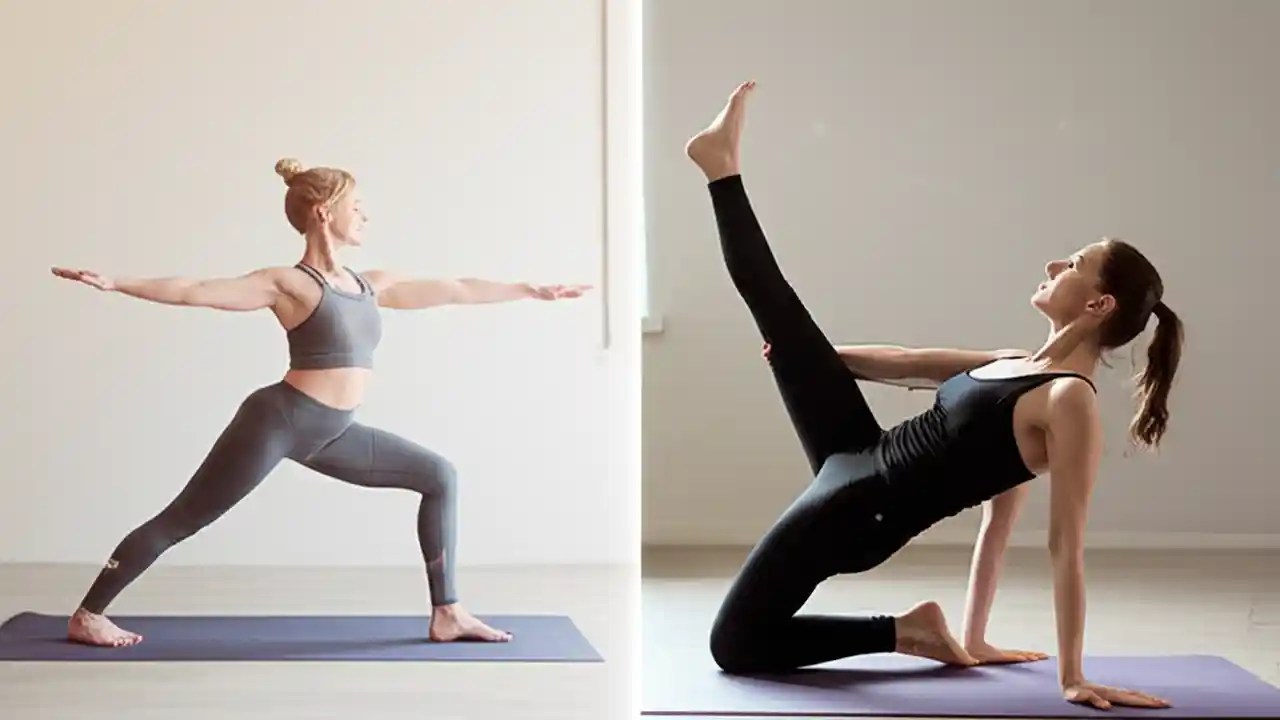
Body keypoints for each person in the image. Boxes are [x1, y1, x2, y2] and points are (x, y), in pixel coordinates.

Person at [683, 82, 1181, 712]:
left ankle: (904, 632)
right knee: (780, 314)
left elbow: (1066, 547)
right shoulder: (1014, 362)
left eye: (1075, 263)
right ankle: (721, 163)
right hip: (857, 450)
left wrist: (1072, 676)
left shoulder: (1068, 402)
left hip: (861, 510)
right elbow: (910, 364)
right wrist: (809, 354)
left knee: (734, 644)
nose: (1055, 265)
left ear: (1099, 304)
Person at [50, 158, 591, 649]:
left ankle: (448, 612)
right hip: (280, 422)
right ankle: (88, 615)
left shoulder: (370, 284)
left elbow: (456, 288)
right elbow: (195, 289)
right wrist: (116, 283)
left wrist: (528, 289)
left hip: (334, 431)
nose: (366, 216)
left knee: (439, 476)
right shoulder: (288, 283)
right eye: (357, 206)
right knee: (182, 519)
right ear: (325, 212)